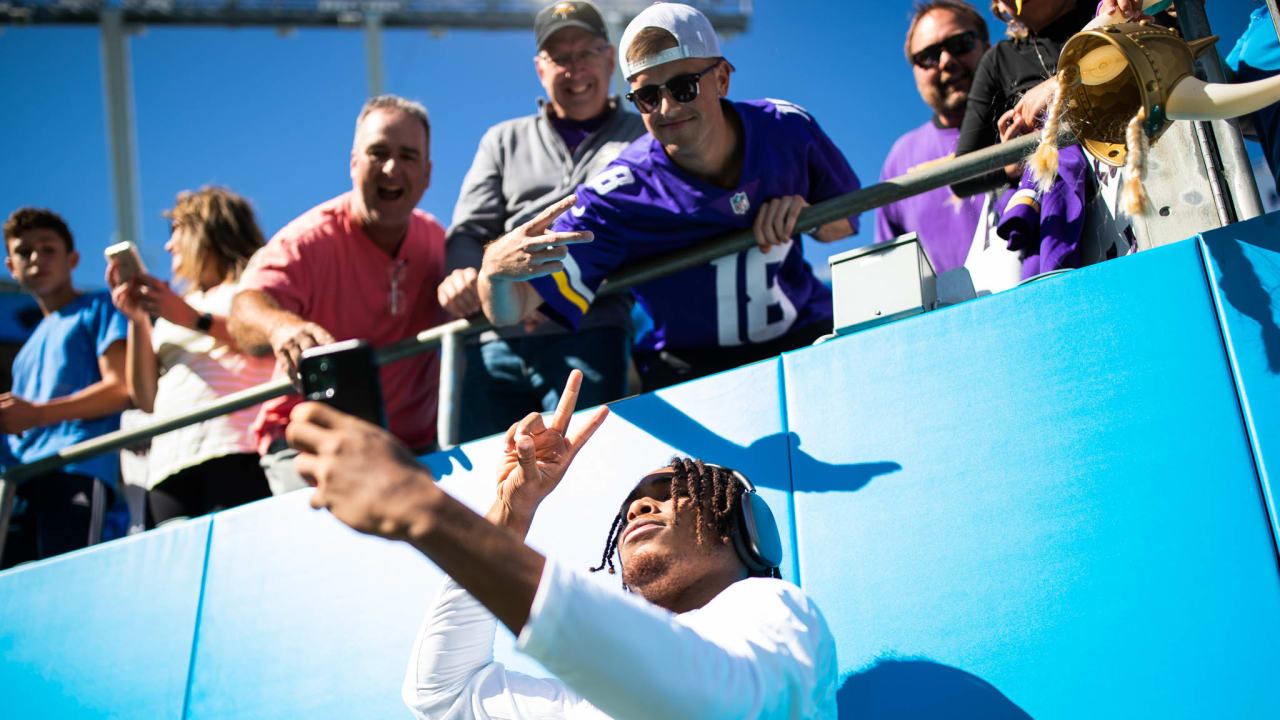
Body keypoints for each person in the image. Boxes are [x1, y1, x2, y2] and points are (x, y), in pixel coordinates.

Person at [284, 369, 837, 718]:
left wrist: (426, 510)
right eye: (632, 505)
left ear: (746, 527)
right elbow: (446, 694)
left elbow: (709, 701)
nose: (639, 508)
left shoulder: (780, 611)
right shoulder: (584, 699)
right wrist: (510, 513)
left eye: (671, 492)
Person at [476, 2, 861, 392]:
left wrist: (808, 215)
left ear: (722, 78)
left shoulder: (786, 127)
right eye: (647, 96)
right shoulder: (618, 193)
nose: (667, 107)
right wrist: (493, 268)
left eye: (683, 87)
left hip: (805, 337)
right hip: (690, 371)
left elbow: (846, 224)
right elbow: (515, 307)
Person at [439, 1, 646, 443]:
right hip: (494, 340)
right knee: (486, 477)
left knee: (582, 465)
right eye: (560, 58)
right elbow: (469, 232)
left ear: (610, 58)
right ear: (539, 69)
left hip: (593, 330)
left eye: (586, 53)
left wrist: (548, 298)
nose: (575, 69)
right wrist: (464, 276)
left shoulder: (644, 134)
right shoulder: (502, 139)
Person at [228, 94, 447, 495]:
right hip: (311, 442)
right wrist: (281, 328)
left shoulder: (437, 240)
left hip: (413, 452)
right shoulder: (308, 239)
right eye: (378, 152)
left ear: (428, 173)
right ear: (353, 162)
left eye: (408, 155)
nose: (392, 168)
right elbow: (244, 309)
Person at [107, 187, 275, 526]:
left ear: (207, 231)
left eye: (176, 231)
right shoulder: (173, 308)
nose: (168, 246)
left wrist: (188, 317)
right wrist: (138, 320)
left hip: (235, 447)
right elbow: (145, 398)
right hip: (169, 463)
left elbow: (264, 339)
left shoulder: (254, 284)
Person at [1, 207, 129, 567]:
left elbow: (121, 389)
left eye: (48, 248)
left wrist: (36, 414)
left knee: (67, 581)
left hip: (77, 471)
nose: (36, 258)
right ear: (11, 266)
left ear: (72, 259)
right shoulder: (24, 353)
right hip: (18, 486)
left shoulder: (100, 307)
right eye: (24, 251)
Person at [876, 1, 992, 275]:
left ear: (988, 48)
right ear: (915, 72)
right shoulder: (900, 160)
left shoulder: (1028, 120)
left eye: (961, 44)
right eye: (928, 56)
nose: (946, 61)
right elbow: (890, 271)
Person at [950, 0, 1094, 198]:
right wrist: (1013, 160)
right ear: (999, 6)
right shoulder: (999, 61)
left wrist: (1060, 84)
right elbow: (960, 177)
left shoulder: (1112, 6)